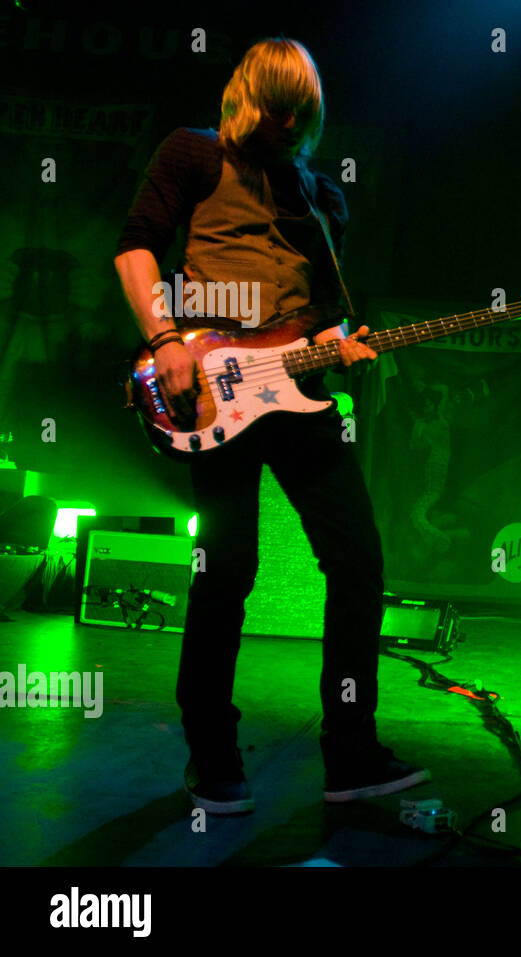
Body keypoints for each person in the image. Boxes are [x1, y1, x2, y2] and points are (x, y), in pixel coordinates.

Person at [113, 37, 428, 813]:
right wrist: (164, 339)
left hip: (296, 394)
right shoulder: (194, 153)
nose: (287, 124)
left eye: (301, 112)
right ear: (247, 97)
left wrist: (341, 346)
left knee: (358, 561)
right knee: (226, 569)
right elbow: (136, 249)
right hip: (213, 386)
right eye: (277, 107)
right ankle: (212, 751)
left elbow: (323, 315)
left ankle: (350, 753)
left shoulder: (323, 197)